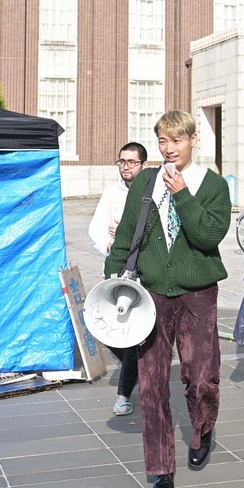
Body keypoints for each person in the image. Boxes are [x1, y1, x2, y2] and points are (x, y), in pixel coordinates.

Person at [105, 110, 231, 488]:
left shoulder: (213, 185)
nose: (168, 148)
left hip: (197, 291)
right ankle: (161, 467)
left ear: (193, 140)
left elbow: (209, 236)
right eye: (162, 141)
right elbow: (127, 232)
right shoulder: (145, 179)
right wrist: (113, 279)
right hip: (152, 293)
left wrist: (182, 196)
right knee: (152, 384)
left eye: (176, 140)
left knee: (200, 376)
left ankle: (202, 429)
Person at [88, 141, 148, 416]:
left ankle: (123, 393)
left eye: (131, 162)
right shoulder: (112, 193)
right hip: (114, 271)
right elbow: (96, 228)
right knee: (110, 331)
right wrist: (109, 245)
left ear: (143, 165)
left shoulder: (151, 191)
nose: (125, 167)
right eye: (122, 161)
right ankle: (141, 366)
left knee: (136, 334)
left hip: (143, 274)